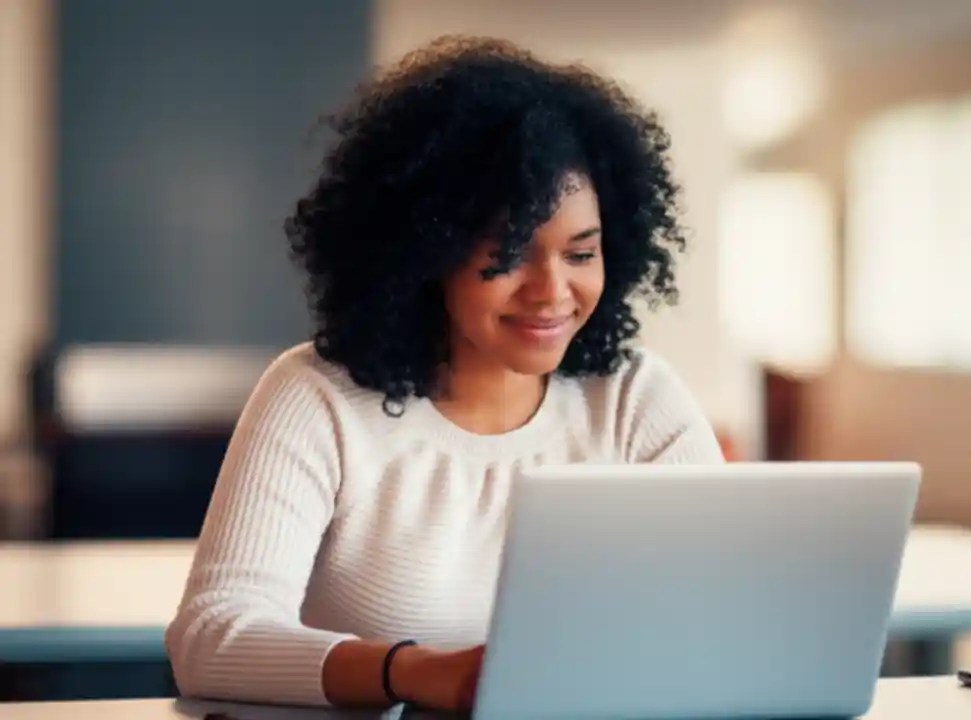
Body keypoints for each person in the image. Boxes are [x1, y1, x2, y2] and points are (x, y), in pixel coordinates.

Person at [164, 35, 724, 712]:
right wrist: (416, 672)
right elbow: (210, 638)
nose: (551, 291)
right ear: (427, 252)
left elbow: (721, 613)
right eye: (511, 254)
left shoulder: (637, 399)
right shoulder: (316, 397)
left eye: (581, 253)